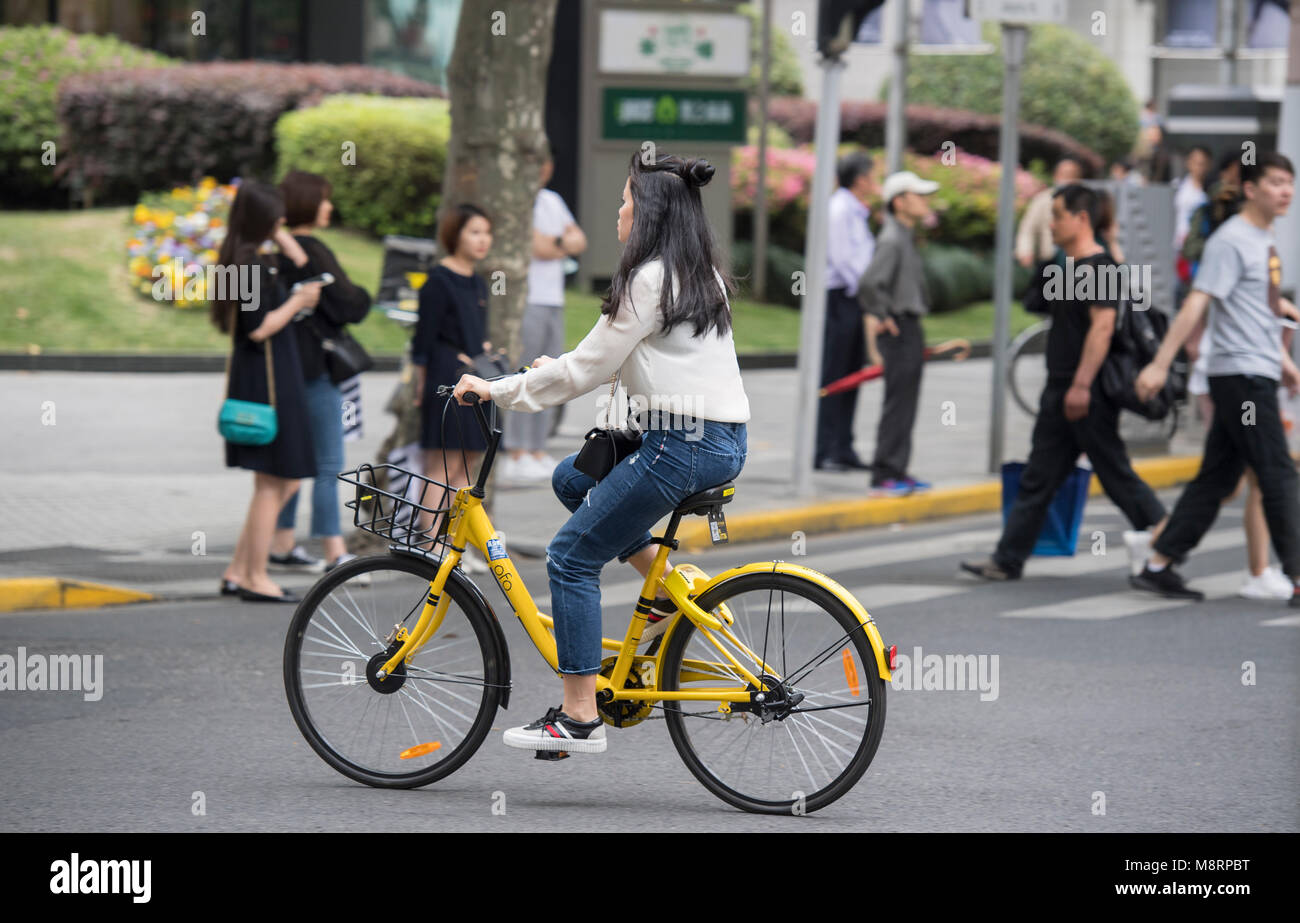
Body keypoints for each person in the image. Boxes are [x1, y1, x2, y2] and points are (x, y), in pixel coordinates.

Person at [452, 151, 750, 754]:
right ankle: (667, 592)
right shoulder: (699, 274)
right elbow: (642, 362)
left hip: (677, 447)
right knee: (571, 480)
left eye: (625, 201)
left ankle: (579, 713)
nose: (618, 210)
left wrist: (496, 390)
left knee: (569, 558)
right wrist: (553, 370)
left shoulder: (646, 279)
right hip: (718, 440)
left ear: (647, 216)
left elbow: (586, 369)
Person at [962, 184, 1168, 581]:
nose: (1051, 223)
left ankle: (1166, 536)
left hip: (1085, 393)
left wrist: (1081, 386)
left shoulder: (1101, 267)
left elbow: (1102, 328)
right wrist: (1048, 256)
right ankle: (1007, 559)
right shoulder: (1069, 267)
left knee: (1114, 473)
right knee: (1040, 476)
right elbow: (1035, 302)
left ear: (1082, 218)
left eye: (1057, 215)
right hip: (1061, 390)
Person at [1132, 153, 1300, 606]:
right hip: (1240, 375)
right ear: (1250, 189)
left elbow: (1258, 311)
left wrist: (1283, 363)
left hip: (1252, 367)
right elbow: (1197, 302)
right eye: (1276, 182)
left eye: (1290, 183)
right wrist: (1160, 362)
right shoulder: (1231, 241)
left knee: (1218, 477)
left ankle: (1159, 563)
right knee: (1278, 472)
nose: (1285, 191)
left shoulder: (1262, 239)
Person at [215, 181, 324, 603]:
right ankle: (255, 576)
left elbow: (301, 264)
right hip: (268, 381)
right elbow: (256, 327)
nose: (283, 223)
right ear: (262, 218)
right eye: (276, 217)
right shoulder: (247, 263)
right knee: (275, 480)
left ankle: (239, 570)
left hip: (271, 375)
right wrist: (296, 303)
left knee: (280, 480)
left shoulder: (250, 255)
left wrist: (281, 239)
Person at [267, 170, 373, 574]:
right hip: (317, 370)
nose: (330, 206)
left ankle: (282, 543)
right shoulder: (313, 249)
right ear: (309, 203)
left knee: (292, 460)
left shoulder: (272, 253)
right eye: (325, 199)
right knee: (328, 464)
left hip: (285, 368)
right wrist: (363, 293)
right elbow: (350, 305)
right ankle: (333, 551)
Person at [410, 204, 497, 569]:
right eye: (474, 232)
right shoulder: (438, 281)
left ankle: (453, 543)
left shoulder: (478, 280)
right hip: (447, 378)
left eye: (486, 232)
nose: (482, 240)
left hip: (478, 377)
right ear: (454, 235)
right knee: (443, 463)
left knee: (469, 463)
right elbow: (422, 343)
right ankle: (429, 542)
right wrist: (419, 388)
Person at [502, 153, 586, 482]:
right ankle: (516, 449)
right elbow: (537, 247)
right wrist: (562, 243)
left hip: (553, 299)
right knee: (524, 372)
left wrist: (558, 243)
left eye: (546, 162)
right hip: (528, 298)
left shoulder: (552, 200)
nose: (543, 169)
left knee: (545, 373)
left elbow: (580, 241)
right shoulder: (517, 201)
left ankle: (537, 448)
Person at [858, 170, 938, 496]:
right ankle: (885, 472)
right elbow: (868, 285)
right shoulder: (892, 238)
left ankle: (897, 469)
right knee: (899, 404)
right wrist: (884, 314)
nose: (925, 201)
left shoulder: (904, 235)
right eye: (918, 195)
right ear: (899, 202)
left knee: (906, 403)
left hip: (909, 327)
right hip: (900, 330)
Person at [815, 151, 876, 471]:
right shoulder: (840, 209)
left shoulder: (855, 210)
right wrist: (866, 291)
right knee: (834, 375)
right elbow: (841, 258)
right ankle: (824, 450)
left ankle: (843, 448)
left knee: (852, 375)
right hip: (841, 298)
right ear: (861, 178)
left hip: (854, 298)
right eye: (872, 176)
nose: (875, 182)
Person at [1016, 155, 1085, 269]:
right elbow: (1027, 228)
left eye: (1072, 175)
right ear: (1055, 176)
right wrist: (1025, 251)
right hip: (1049, 261)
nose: (1067, 179)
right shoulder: (1043, 199)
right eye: (1064, 175)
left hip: (1078, 262)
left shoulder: (1085, 201)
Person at [1172, 145, 1212, 251]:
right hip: (1184, 246)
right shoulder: (1180, 187)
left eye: (1202, 163)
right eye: (1196, 163)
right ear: (1188, 163)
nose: (1199, 167)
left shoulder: (1210, 189)